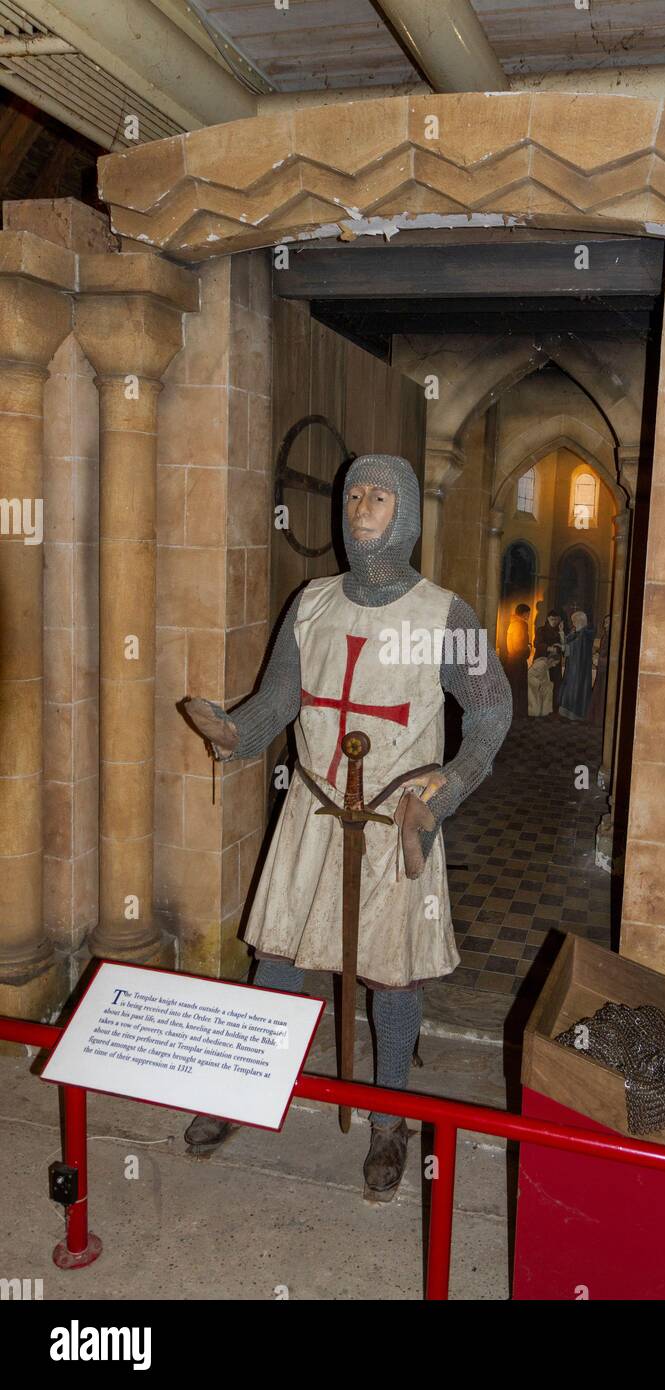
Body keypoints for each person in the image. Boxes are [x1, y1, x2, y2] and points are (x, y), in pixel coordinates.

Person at [182, 456, 511, 1200]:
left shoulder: (444, 614)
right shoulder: (313, 603)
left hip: (399, 817)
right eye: (353, 493)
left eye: (380, 495)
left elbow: (492, 711)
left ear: (407, 515)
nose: (362, 506)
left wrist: (452, 783)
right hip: (316, 808)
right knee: (277, 956)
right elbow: (281, 699)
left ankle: (390, 1119)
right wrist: (238, 732)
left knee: (391, 975)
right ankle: (249, 1088)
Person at [559, 609, 596, 721]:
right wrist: (561, 632)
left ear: (580, 621)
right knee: (570, 687)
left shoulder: (584, 634)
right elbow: (567, 642)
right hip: (573, 666)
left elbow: (571, 647)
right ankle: (568, 713)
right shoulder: (576, 632)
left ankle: (576, 715)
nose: (573, 623)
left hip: (580, 668)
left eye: (574, 621)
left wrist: (564, 647)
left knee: (576, 688)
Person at [534, 610, 565, 714]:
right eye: (552, 619)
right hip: (543, 660)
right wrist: (549, 648)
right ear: (548, 619)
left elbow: (564, 645)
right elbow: (537, 644)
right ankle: (540, 708)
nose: (554, 622)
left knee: (555, 684)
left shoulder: (560, 631)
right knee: (542, 685)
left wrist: (561, 633)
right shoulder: (541, 630)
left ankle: (553, 708)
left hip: (555, 662)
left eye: (556, 619)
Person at [503, 602, 531, 717]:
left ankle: (512, 711)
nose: (529, 616)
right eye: (528, 614)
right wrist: (528, 649)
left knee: (513, 686)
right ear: (524, 614)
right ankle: (518, 713)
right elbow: (519, 646)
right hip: (518, 661)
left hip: (511, 660)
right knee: (518, 687)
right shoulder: (521, 624)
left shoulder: (512, 623)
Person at [587, 613, 611, 726]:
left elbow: (613, 656)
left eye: (607, 622)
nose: (604, 625)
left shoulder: (613, 636)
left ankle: (601, 720)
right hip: (602, 669)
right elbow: (604, 650)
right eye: (605, 622)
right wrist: (597, 652)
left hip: (607, 671)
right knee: (598, 693)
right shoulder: (605, 636)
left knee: (603, 696)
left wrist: (599, 659)